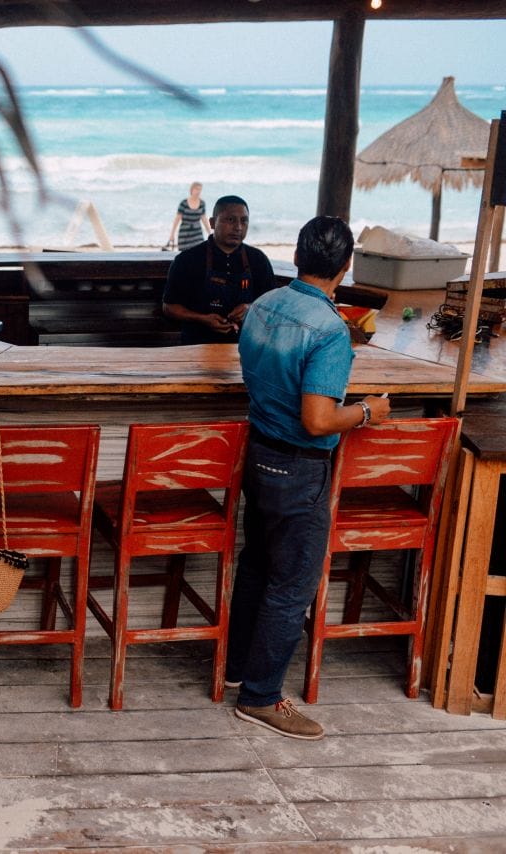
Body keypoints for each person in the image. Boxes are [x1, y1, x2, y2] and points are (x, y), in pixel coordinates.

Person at [226, 215, 392, 740]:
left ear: (296, 257)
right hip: (300, 467)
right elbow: (319, 420)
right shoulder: (329, 330)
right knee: (291, 582)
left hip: (258, 456)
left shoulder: (261, 307)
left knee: (257, 566)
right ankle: (260, 697)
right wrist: (369, 411)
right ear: (345, 266)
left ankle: (236, 670)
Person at [162, 194, 276, 345]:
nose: (238, 227)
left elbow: (273, 304)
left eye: (244, 221)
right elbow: (169, 307)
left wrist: (250, 308)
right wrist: (202, 319)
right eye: (230, 220)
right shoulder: (188, 259)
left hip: (246, 347)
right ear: (212, 222)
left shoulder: (257, 259)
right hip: (198, 346)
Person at [166, 182, 210, 251]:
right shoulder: (183, 203)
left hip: (197, 232)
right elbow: (177, 219)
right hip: (184, 233)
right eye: (197, 189)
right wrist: (172, 234)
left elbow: (204, 219)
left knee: (200, 251)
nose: (198, 191)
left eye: (200, 190)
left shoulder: (202, 203)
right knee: (184, 255)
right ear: (192, 190)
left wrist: (210, 233)